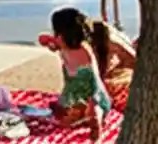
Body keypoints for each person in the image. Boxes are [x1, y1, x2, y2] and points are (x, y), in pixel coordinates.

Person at [48, 8, 111, 142]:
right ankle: (88, 114)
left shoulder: (80, 49)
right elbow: (44, 40)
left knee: (77, 110)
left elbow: (91, 80)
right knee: (64, 115)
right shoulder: (68, 46)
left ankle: (94, 113)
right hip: (79, 91)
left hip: (88, 90)